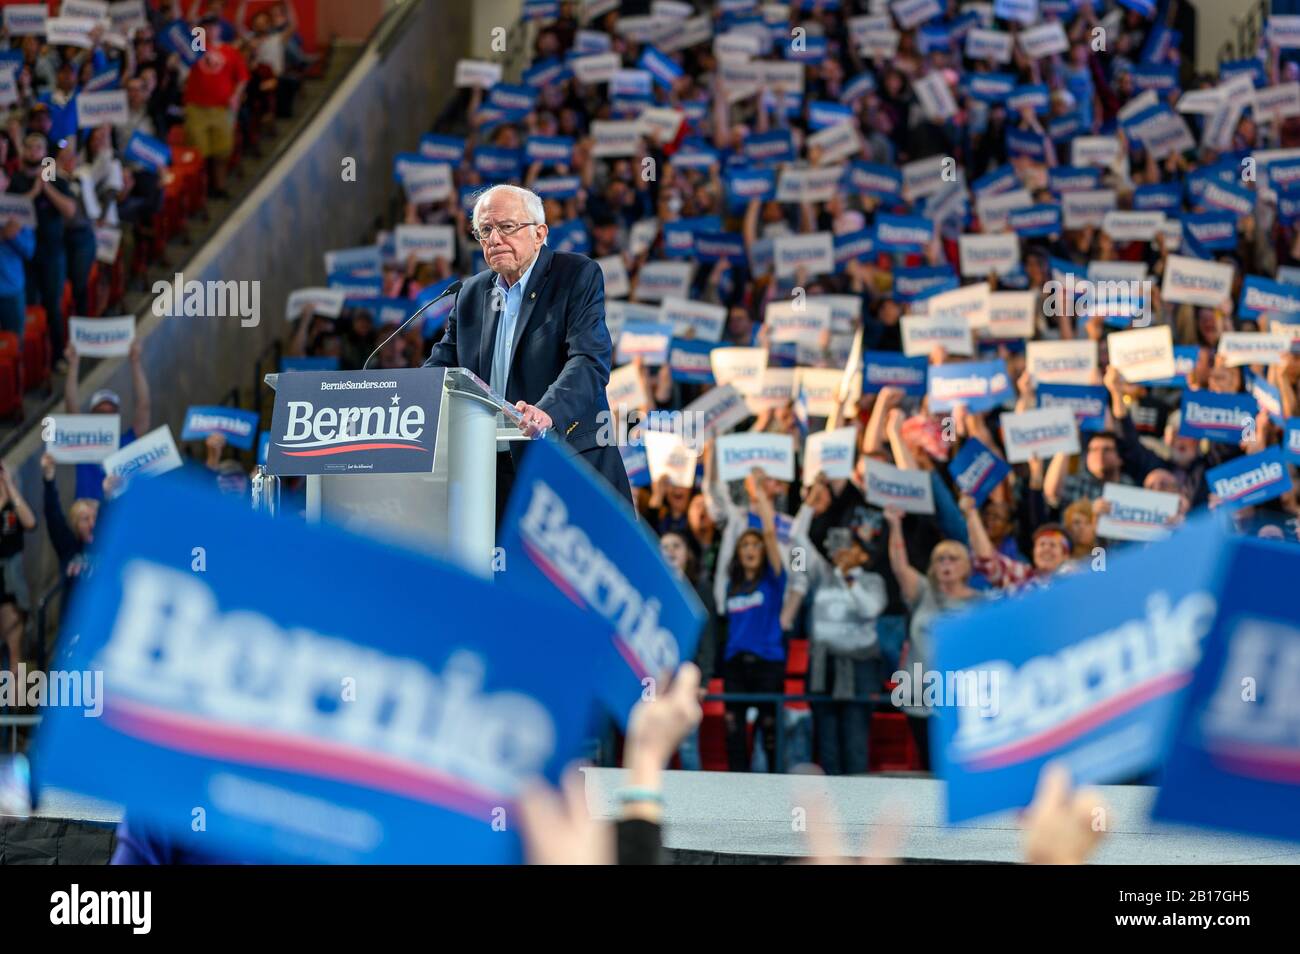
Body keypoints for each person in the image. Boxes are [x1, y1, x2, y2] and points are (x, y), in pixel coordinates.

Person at [424, 184, 631, 521]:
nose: (493, 238)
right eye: (485, 230)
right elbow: (441, 369)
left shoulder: (575, 275)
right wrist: (401, 400)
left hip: (564, 458)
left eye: (506, 227)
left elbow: (588, 361)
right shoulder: (472, 293)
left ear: (540, 234)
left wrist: (546, 411)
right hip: (488, 471)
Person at [791, 509, 888, 777]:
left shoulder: (872, 581)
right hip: (823, 668)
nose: (843, 551)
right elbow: (797, 537)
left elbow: (870, 609)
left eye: (851, 547)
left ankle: (856, 813)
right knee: (827, 748)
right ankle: (829, 813)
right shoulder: (822, 575)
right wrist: (808, 505)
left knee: (855, 746)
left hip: (859, 669)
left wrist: (848, 579)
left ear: (864, 555)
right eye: (840, 546)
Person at [883, 507, 978, 770]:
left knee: (956, 766)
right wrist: (894, 525)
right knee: (929, 764)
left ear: (966, 566)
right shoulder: (923, 591)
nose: (946, 564)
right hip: (918, 692)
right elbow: (899, 566)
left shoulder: (980, 602)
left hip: (958, 696)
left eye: (953, 558)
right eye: (940, 559)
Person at [717, 468, 786, 773]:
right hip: (735, 662)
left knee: (770, 733)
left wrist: (758, 493)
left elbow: (770, 533)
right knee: (733, 731)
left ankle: (773, 795)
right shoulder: (730, 584)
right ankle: (736, 796)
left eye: (756, 545)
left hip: (768, 661)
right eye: (745, 545)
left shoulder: (774, 581)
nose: (751, 549)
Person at [65, 338, 152, 501]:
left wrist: (135, 362)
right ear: (91, 417)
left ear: (117, 418)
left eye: (110, 413)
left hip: (120, 519)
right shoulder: (82, 444)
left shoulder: (127, 443)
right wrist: (73, 364)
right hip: (88, 520)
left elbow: (144, 406)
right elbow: (71, 407)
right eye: (100, 413)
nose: (105, 418)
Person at [658, 531, 715, 771]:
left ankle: (697, 805)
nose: (671, 551)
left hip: (687, 678)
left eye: (676, 546)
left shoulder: (700, 589)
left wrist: (704, 678)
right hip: (658, 677)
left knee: (687, 744)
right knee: (658, 744)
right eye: (665, 546)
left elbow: (708, 639)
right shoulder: (654, 587)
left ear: (688, 554)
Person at [181, 15, 249, 200]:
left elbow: (242, 77)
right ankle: (199, 194)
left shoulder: (230, 51)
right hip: (197, 108)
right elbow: (186, 39)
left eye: (213, 27)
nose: (210, 31)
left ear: (219, 29)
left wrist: (235, 95)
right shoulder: (196, 49)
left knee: (222, 151)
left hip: (221, 109)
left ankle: (220, 186)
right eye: (206, 28)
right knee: (198, 153)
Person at [0, 463, 35, 678]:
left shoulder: (14, 504)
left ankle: (15, 706)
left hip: (10, 584)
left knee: (14, 651)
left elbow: (30, 522)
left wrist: (10, 487)